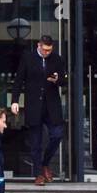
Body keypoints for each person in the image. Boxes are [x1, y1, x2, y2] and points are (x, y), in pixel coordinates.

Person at [11, 34, 67, 184]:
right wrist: (15, 101)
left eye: (49, 50)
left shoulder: (57, 59)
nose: (47, 53)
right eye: (44, 50)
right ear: (39, 46)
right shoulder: (28, 58)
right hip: (34, 105)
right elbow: (18, 80)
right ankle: (38, 174)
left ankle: (44, 163)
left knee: (57, 134)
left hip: (52, 105)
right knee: (36, 142)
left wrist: (57, 80)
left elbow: (63, 80)